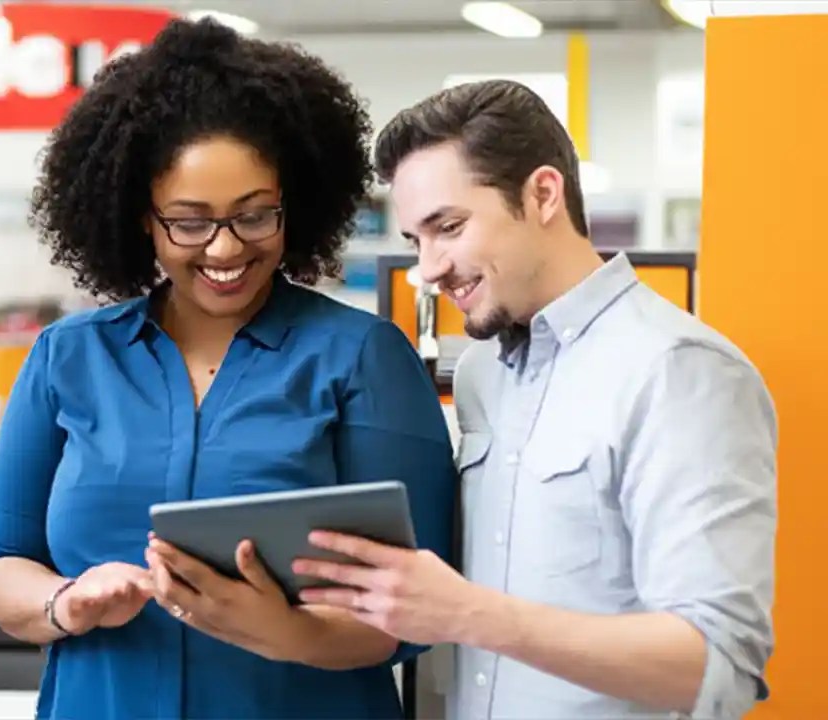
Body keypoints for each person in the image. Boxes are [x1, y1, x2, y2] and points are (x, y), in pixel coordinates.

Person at [0, 17, 457, 720]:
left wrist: (287, 631)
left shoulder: (363, 359)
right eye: (190, 222)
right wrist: (64, 603)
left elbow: (423, 602)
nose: (226, 249)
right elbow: (0, 567)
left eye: (255, 216)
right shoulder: (67, 358)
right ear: (142, 217)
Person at [293, 78, 778, 720]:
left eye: (450, 227)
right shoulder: (483, 373)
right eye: (416, 240)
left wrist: (469, 614)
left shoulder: (678, 372)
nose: (429, 269)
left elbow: (718, 665)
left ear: (543, 194)